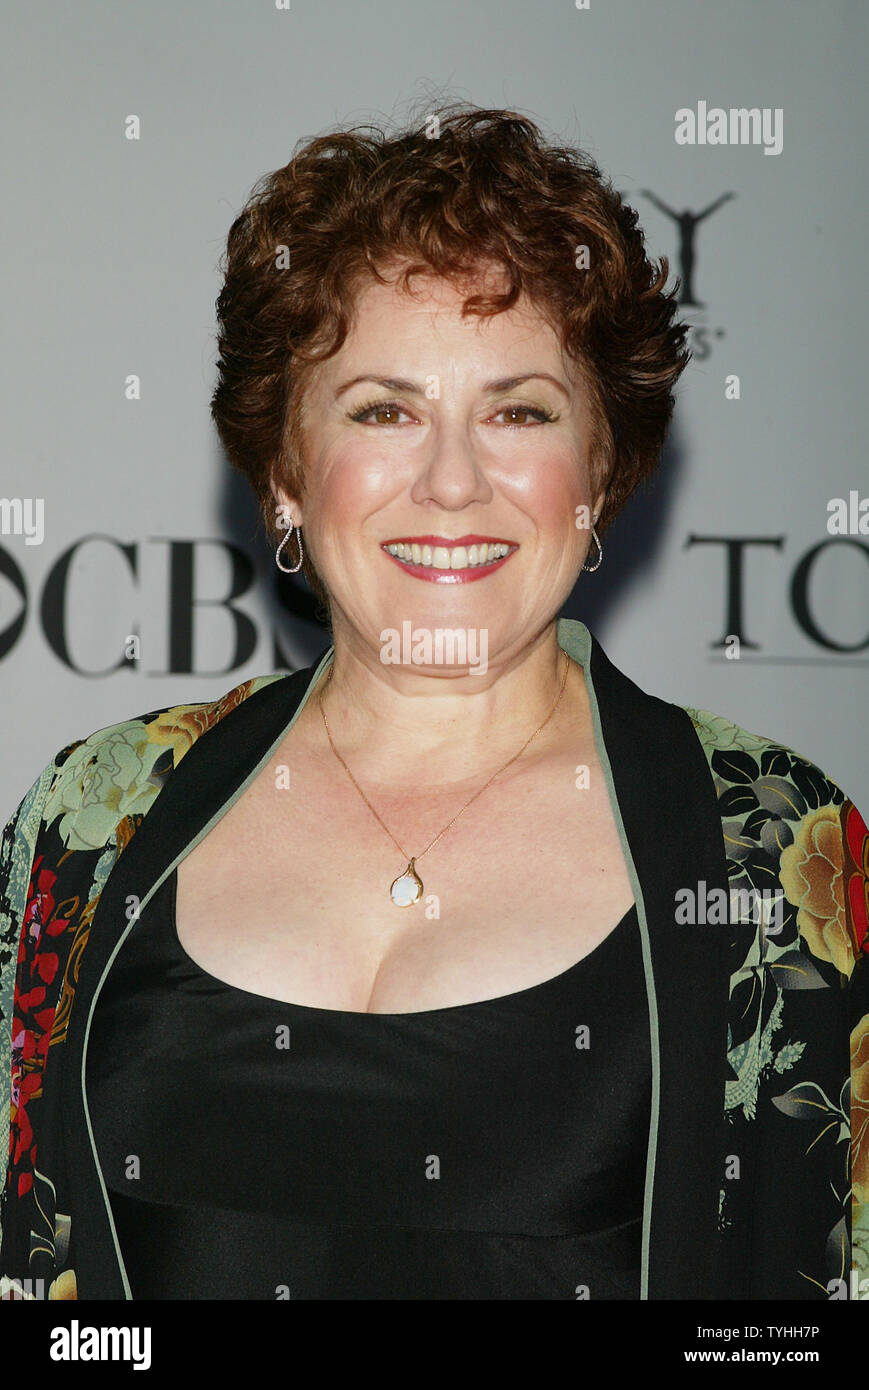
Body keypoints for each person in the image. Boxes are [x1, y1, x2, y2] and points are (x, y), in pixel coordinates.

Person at [1, 103, 867, 1303]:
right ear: (284, 472)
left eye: (517, 411)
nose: (452, 480)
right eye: (381, 410)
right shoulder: (92, 819)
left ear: (601, 469)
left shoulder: (767, 845)